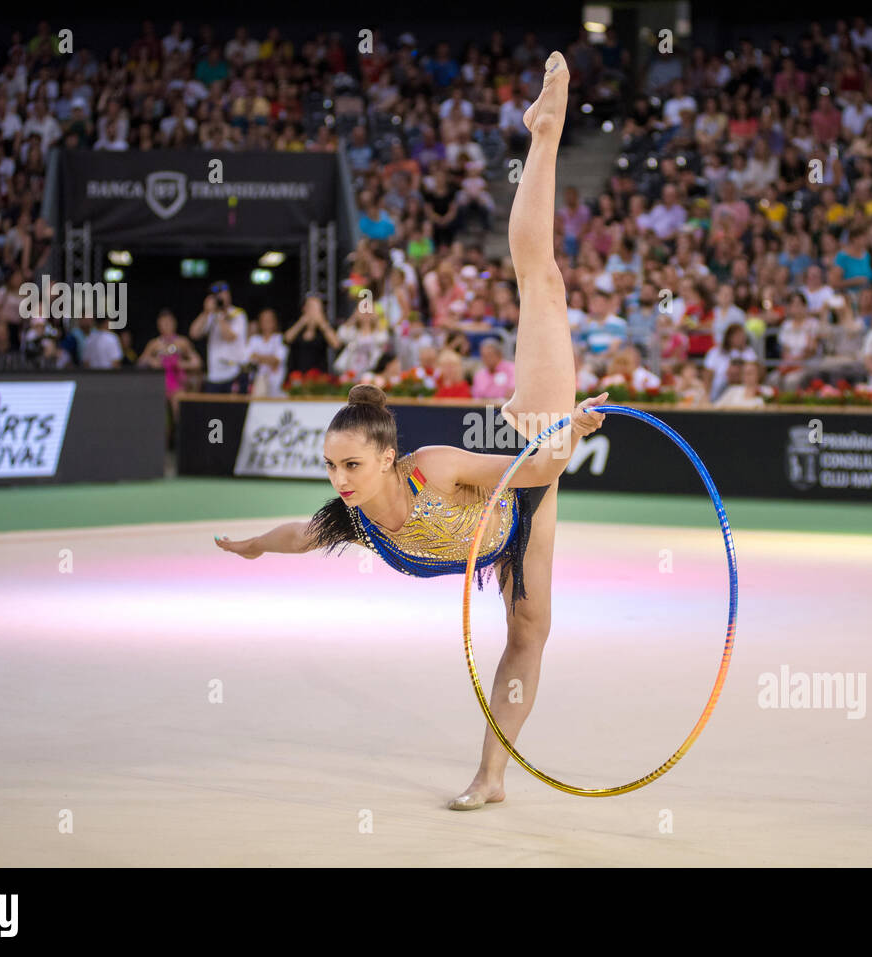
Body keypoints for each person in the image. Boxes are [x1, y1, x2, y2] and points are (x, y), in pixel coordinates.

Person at [215, 53, 612, 812]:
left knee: (542, 278)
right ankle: (494, 779)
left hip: (525, 481)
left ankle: (546, 132)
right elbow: (301, 535)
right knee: (530, 629)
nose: (339, 479)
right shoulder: (355, 514)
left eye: (351, 464)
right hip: (500, 512)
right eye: (332, 466)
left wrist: (568, 434)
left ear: (387, 455)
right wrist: (251, 546)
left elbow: (531, 473)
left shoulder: (430, 467)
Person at [189, 280, 249, 392]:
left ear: (229, 295)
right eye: (216, 295)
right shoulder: (210, 315)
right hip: (214, 375)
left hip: (234, 373)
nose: (220, 297)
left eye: (223, 293)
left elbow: (230, 337)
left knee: (233, 409)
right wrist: (206, 313)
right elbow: (194, 333)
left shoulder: (238, 314)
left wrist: (219, 314)